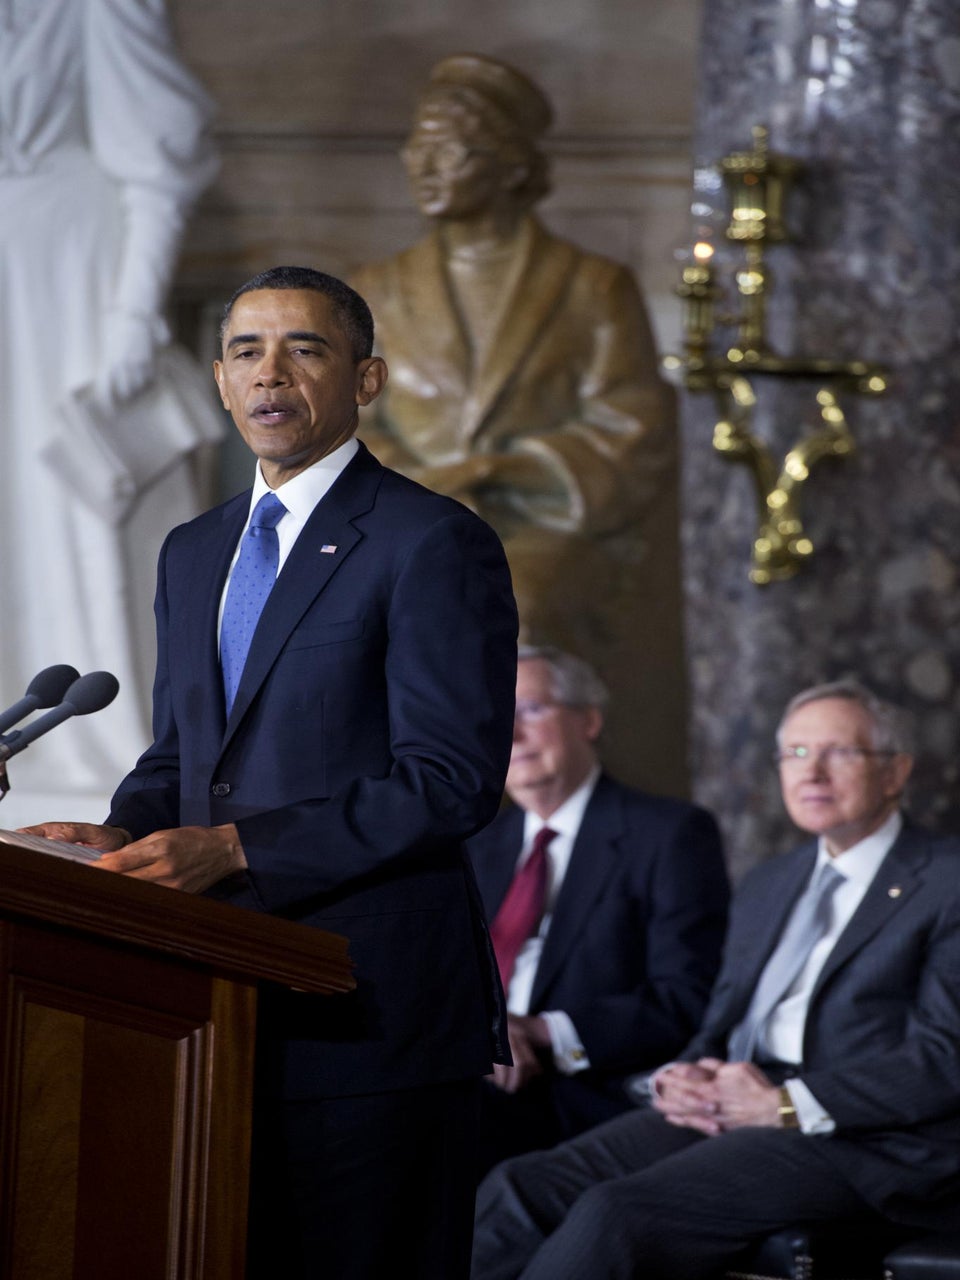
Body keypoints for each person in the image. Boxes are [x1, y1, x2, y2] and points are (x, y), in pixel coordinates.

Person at [23, 266, 519, 1280]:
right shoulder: (194, 548)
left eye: (306, 347)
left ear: (366, 377)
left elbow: (450, 776)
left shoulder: (432, 542)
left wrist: (236, 848)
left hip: (371, 1018)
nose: (271, 372)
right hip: (210, 1010)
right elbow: (180, 754)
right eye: (247, 349)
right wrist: (122, 835)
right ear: (218, 379)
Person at [472, 678, 960, 1280]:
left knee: (617, 1212)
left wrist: (783, 1104)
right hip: (740, 1103)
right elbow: (722, 1024)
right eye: (796, 754)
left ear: (895, 771)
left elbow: (945, 1056)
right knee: (524, 1185)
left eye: (841, 752)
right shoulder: (770, 883)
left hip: (863, 1137)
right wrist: (685, 1074)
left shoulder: (946, 880)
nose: (813, 773)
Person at [350, 53, 687, 798]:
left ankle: (508, 809)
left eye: (451, 148)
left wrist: (504, 469)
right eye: (416, 146)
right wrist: (423, 486)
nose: (423, 166)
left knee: (508, 596)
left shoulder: (589, 285)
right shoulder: (377, 289)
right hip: (405, 515)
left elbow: (631, 418)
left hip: (543, 525)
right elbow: (350, 419)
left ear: (508, 165)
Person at [0, 0, 224, 827]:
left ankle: (98, 740)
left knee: (78, 504)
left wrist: (134, 311)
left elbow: (158, 150)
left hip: (70, 267)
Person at [467, 645, 728, 1176]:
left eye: (531, 711)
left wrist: (537, 1032)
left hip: (586, 1092)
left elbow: (685, 996)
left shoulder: (669, 835)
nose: (511, 735)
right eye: (498, 715)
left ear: (588, 720)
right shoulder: (475, 846)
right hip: (472, 1074)